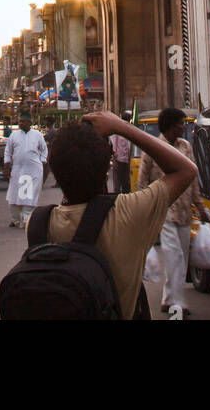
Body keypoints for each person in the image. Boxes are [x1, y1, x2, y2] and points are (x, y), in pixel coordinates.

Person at [35, 109, 198, 320]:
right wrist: (123, 127)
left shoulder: (38, 223)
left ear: (55, 171)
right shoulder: (130, 212)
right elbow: (186, 170)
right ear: (107, 167)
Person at [136, 107, 208, 317]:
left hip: (185, 211)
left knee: (182, 259)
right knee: (174, 256)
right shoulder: (153, 148)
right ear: (169, 125)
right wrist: (142, 213)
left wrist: (201, 208)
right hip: (163, 211)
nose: (183, 127)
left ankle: (168, 298)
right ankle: (178, 304)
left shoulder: (185, 146)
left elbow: (193, 179)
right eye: (179, 123)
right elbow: (142, 182)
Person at [3, 111, 48, 228]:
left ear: (29, 122)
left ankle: (27, 220)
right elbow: (8, 152)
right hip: (17, 169)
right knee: (14, 195)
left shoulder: (37, 135)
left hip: (33, 170)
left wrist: (42, 161)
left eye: (23, 121)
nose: (20, 123)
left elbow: (44, 150)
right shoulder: (14, 135)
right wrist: (6, 167)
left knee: (29, 194)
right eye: (19, 121)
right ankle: (16, 219)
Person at [109, 111, 132, 193]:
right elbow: (114, 147)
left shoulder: (130, 130)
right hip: (119, 161)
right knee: (117, 185)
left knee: (126, 184)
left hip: (127, 161)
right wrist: (115, 161)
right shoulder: (117, 131)